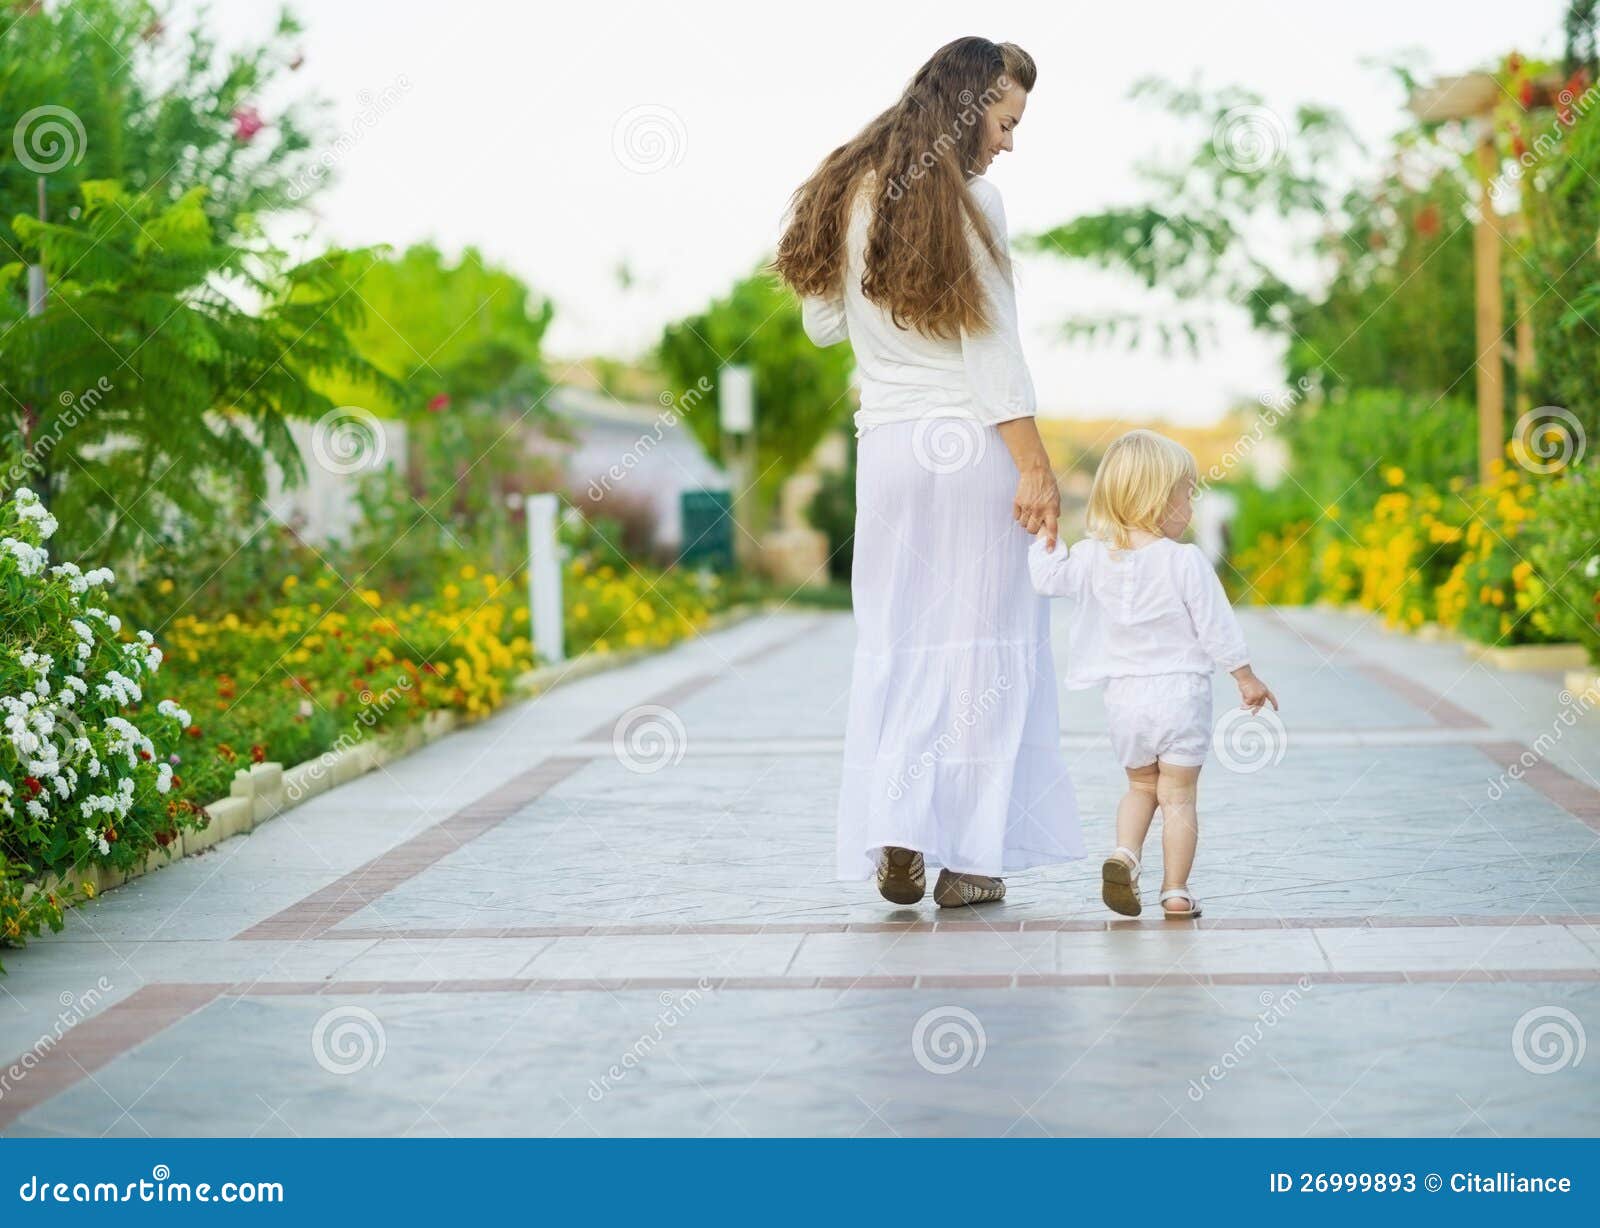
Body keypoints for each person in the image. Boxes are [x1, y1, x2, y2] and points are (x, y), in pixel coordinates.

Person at [776, 36, 1084, 907]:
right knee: (987, 653)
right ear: (966, 105)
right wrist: (1035, 467)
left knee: (900, 645)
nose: (1010, 141)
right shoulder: (974, 202)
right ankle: (970, 861)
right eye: (1005, 118)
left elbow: (823, 327)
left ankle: (898, 829)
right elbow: (992, 347)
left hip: (891, 453)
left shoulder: (847, 189)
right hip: (973, 448)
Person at [1027, 429, 1279, 918]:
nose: (1191, 505)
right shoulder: (1184, 561)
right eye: (1188, 494)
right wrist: (1245, 677)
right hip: (1181, 696)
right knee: (1179, 796)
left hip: (1125, 702)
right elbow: (1216, 626)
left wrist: (1045, 537)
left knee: (1141, 788)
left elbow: (1046, 578)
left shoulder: (1092, 555)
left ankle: (1124, 854)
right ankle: (1176, 891)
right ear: (1159, 502)